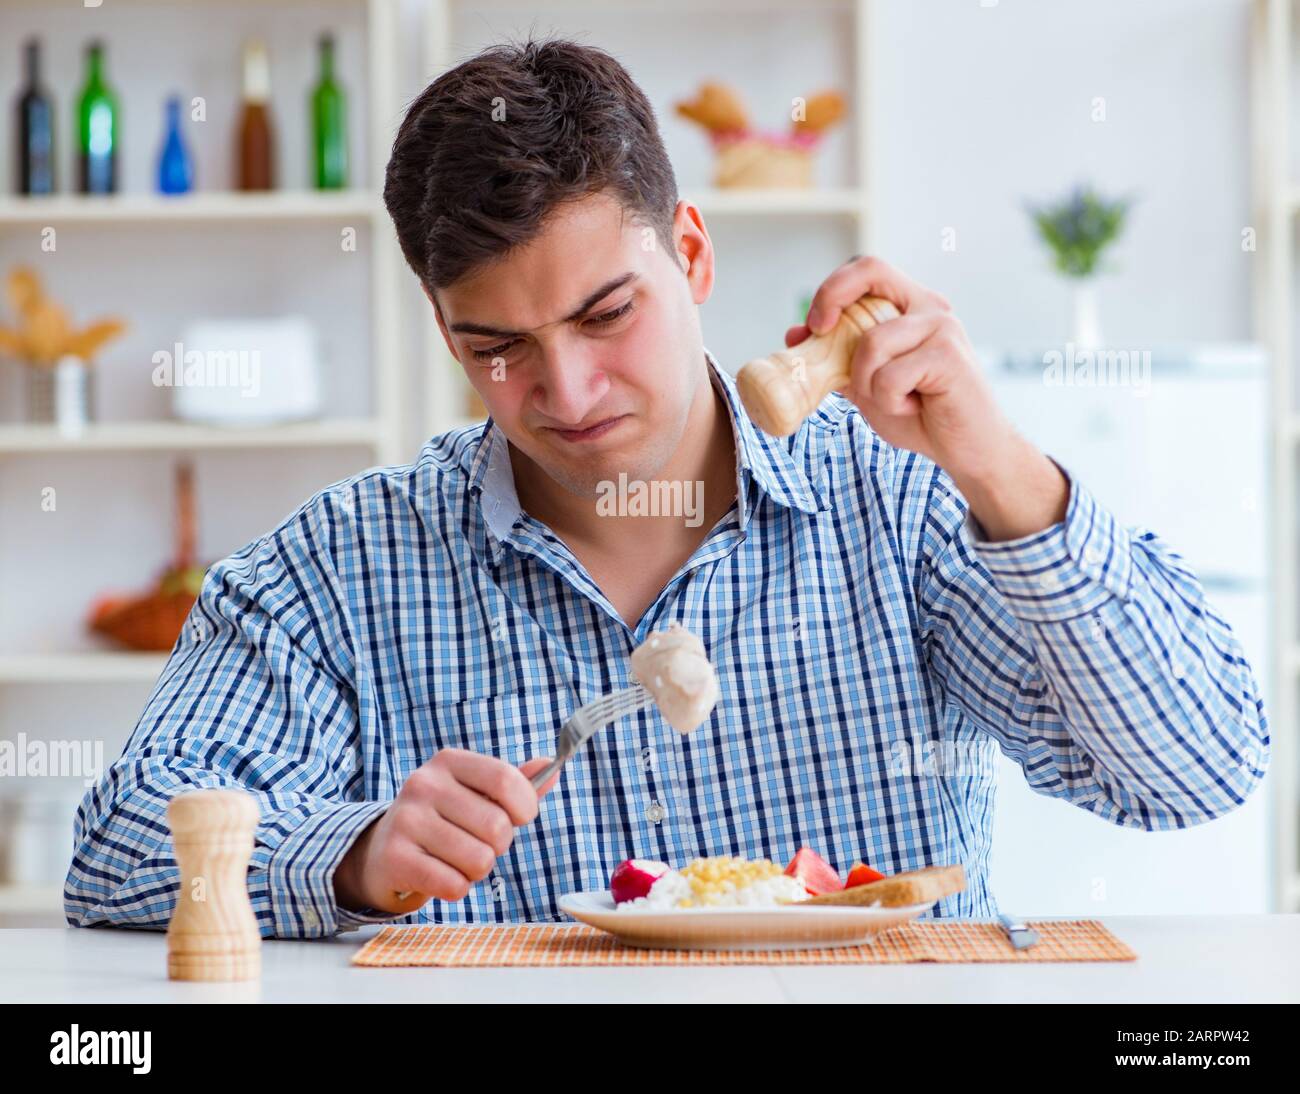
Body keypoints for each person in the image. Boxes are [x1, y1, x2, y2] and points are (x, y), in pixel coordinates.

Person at [66, 37, 1268, 937]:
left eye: (606, 314)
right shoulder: (339, 564)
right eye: (500, 347)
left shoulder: (900, 502)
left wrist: (996, 460)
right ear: (445, 335)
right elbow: (114, 851)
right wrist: (349, 850)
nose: (569, 389)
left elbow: (1198, 769)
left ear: (689, 251)